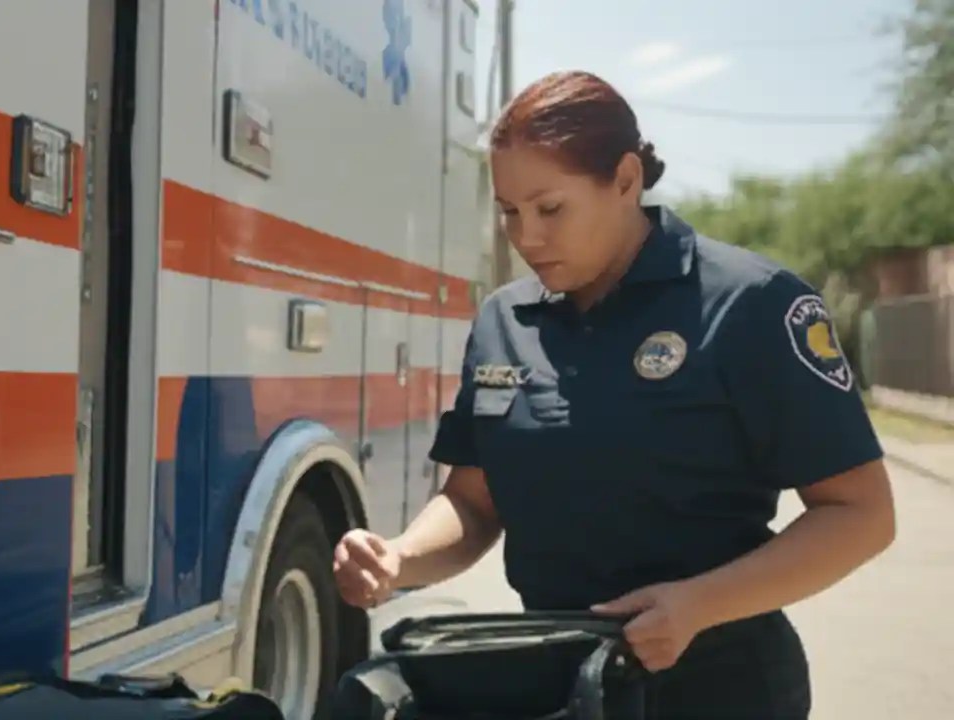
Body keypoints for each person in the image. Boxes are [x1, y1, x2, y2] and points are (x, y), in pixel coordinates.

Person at [332, 70, 896, 719]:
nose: (526, 237)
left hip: (719, 689)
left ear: (626, 180)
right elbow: (472, 502)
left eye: (550, 209)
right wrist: (399, 558)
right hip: (555, 685)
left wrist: (699, 604)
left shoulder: (751, 303)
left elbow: (861, 515)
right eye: (509, 212)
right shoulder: (504, 321)